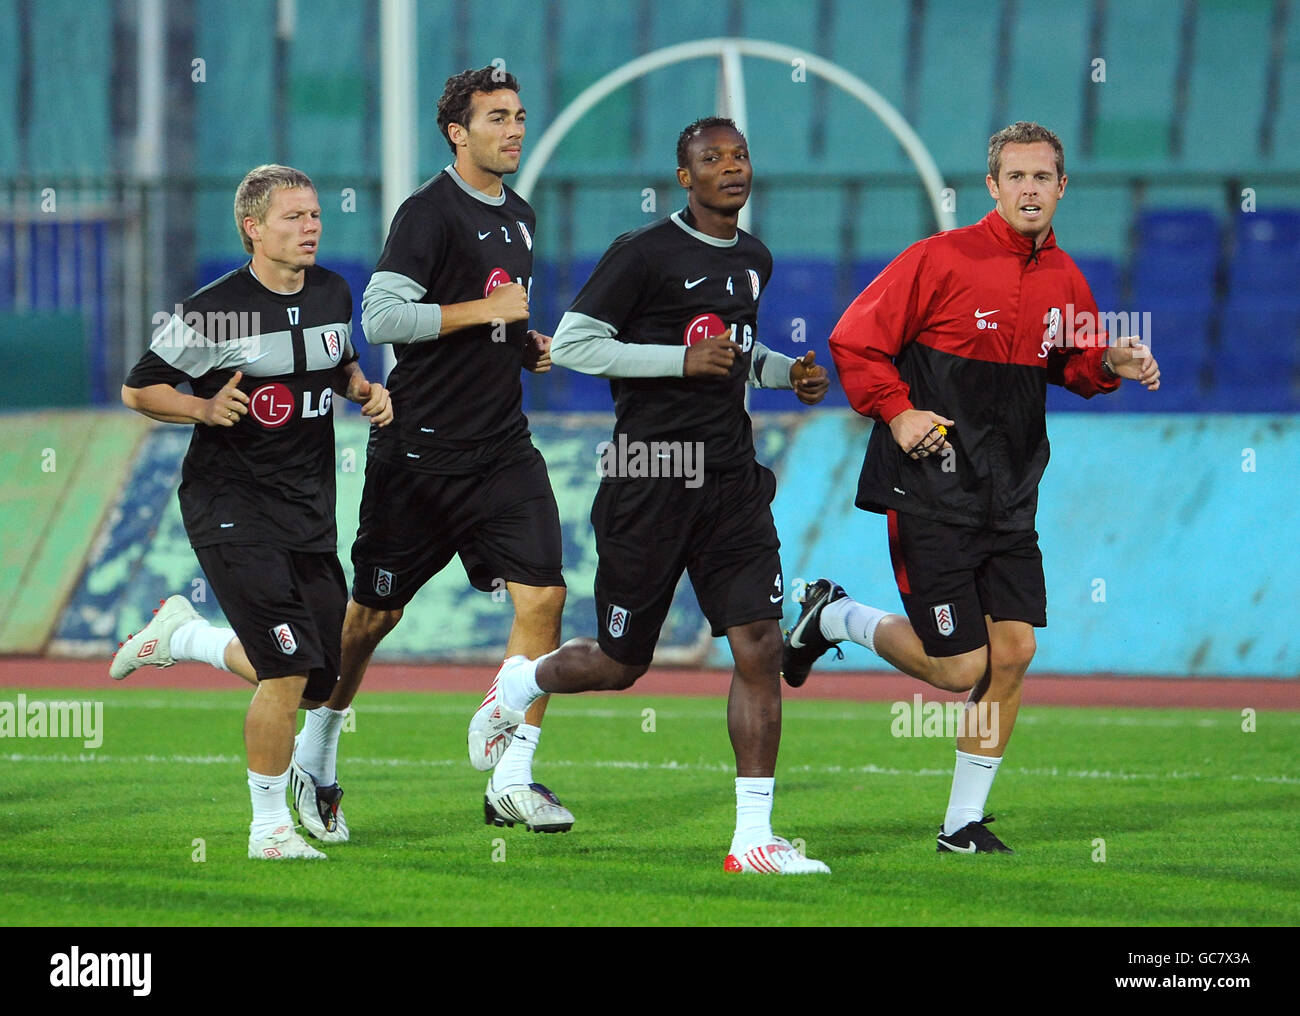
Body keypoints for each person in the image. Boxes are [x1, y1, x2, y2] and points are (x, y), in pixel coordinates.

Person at [467, 117, 834, 875]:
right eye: (712, 159)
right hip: (651, 475)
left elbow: (730, 356)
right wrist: (678, 359)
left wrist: (780, 373)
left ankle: (752, 840)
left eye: (740, 155)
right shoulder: (642, 254)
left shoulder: (755, 258)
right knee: (621, 663)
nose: (730, 168)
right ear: (684, 177)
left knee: (760, 646)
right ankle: (520, 684)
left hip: (731, 480)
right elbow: (571, 345)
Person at [782, 121, 1161, 853]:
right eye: (1014, 177)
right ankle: (834, 618)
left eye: (1042, 177)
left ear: (1061, 187)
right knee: (960, 668)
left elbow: (1076, 367)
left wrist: (1110, 359)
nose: (1029, 189)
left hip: (1011, 497)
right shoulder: (937, 259)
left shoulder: (1066, 278)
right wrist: (897, 411)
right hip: (932, 489)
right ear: (991, 187)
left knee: (1013, 653)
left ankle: (961, 826)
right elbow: (855, 340)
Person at [286, 66, 573, 838]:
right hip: (418, 455)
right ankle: (316, 752)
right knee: (370, 618)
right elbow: (380, 318)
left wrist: (523, 343)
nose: (514, 129)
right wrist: (489, 311)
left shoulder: (519, 214)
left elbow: (487, 322)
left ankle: (512, 773)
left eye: (518, 114)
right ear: (458, 131)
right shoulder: (427, 211)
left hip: (503, 450)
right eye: (496, 118)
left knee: (544, 597)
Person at [113, 164, 393, 860]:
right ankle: (268, 829)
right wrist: (202, 406)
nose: (311, 228)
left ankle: (186, 640)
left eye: (316, 216)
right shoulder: (214, 309)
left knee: (321, 679)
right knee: (287, 671)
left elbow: (339, 364)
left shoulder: (332, 290)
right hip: (230, 506)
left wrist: (364, 389)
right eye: (294, 218)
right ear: (253, 228)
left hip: (308, 512)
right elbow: (140, 389)